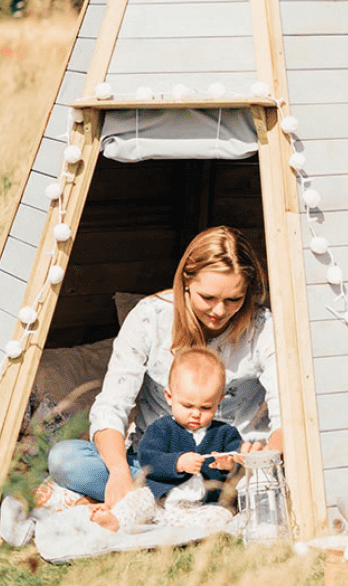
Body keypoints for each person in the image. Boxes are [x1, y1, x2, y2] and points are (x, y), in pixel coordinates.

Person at [49, 225, 281, 510]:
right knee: (65, 459)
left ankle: (162, 503)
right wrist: (120, 473)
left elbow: (287, 414)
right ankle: (177, 500)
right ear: (185, 283)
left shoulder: (263, 328)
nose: (219, 311)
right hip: (156, 464)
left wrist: (266, 455)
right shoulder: (150, 317)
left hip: (232, 467)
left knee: (280, 475)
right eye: (207, 298)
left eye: (234, 299)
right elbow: (112, 405)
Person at [90, 347, 241, 533]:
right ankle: (117, 519)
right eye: (187, 405)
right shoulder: (161, 428)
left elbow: (239, 460)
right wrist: (177, 463)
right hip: (159, 503)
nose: (195, 413)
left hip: (200, 508)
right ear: (169, 397)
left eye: (206, 407)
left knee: (222, 515)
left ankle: (182, 531)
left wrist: (229, 465)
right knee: (138, 498)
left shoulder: (225, 433)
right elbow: (148, 459)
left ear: (219, 401)